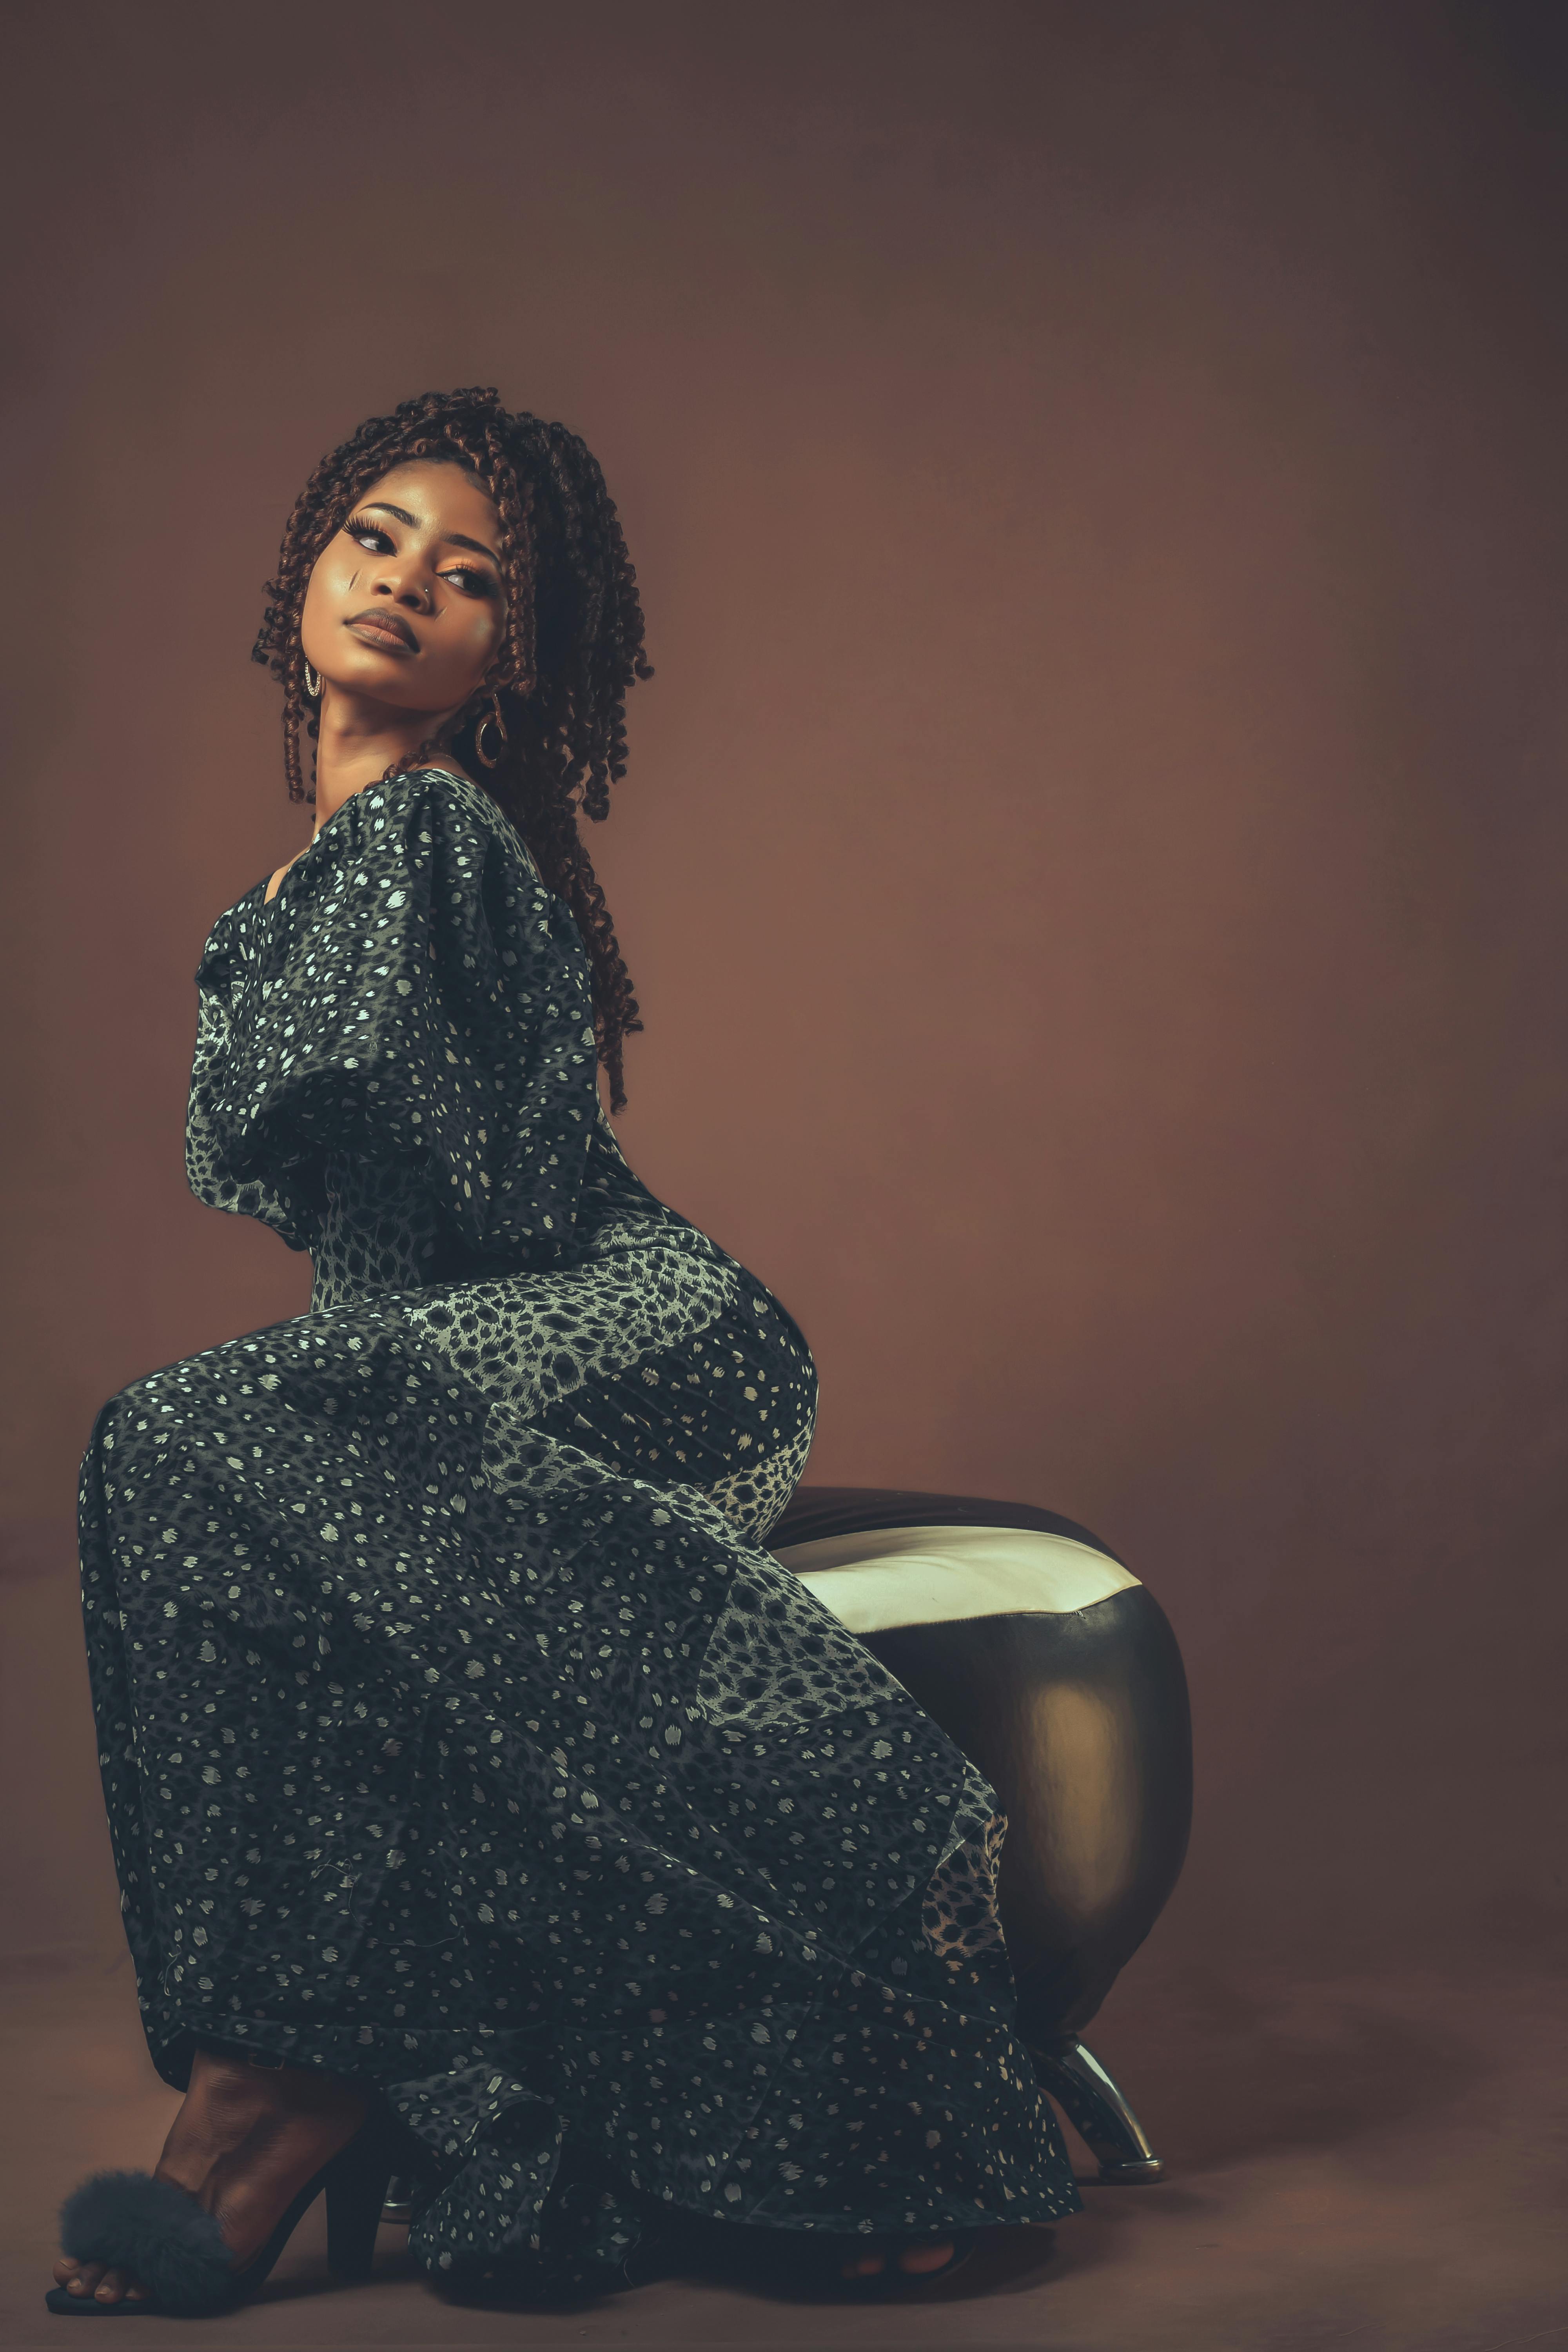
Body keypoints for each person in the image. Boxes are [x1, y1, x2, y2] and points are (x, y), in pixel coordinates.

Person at [47, 386, 1082, 2317]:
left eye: (469, 576)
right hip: (453, 1352)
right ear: (302, 574)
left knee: (181, 1441)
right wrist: (330, 1461)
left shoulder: (429, 837)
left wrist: (336, 1432)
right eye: (375, 537)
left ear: (511, 656)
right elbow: (369, 1264)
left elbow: (492, 1219)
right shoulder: (285, 897)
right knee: (192, 1468)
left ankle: (268, 2098)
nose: (404, 582)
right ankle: (313, 2067)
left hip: (643, 1332)